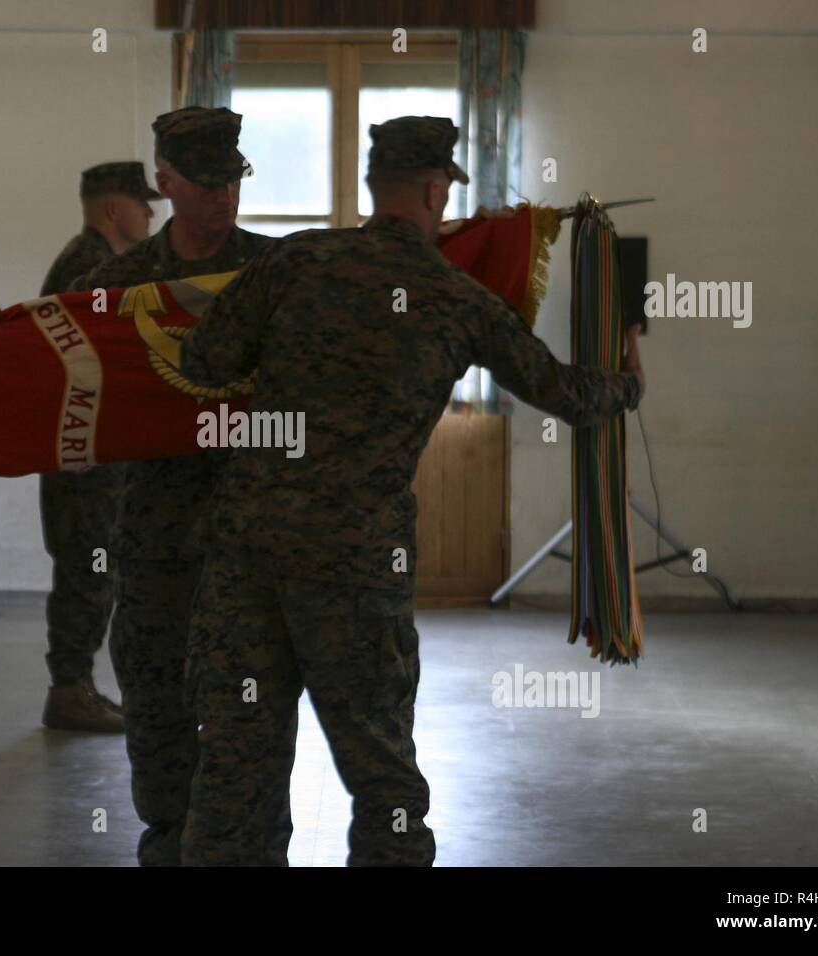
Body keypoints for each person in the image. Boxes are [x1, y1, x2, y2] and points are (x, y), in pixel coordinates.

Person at [176, 116, 646, 866]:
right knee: (379, 768)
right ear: (435, 191)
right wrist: (626, 382)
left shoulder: (295, 261)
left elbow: (202, 364)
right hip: (356, 561)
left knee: (237, 763)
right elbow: (562, 391)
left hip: (246, 549)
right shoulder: (454, 297)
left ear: (373, 186)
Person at [0, 107, 295, 865]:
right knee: (158, 723)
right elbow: (57, 351)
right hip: (154, 548)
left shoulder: (279, 275)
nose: (224, 197)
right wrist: (0, 342)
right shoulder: (118, 285)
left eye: (234, 180)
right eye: (205, 182)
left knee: (255, 724)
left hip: (254, 543)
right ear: (166, 180)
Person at [38, 162, 157, 733]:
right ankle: (68, 688)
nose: (151, 214)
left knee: (94, 566)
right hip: (86, 451)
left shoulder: (92, 260)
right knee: (86, 565)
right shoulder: (89, 268)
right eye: (142, 204)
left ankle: (77, 684)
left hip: (94, 445)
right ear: (114, 209)